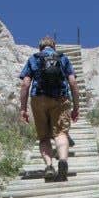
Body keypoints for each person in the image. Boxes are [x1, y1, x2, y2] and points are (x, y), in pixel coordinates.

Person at [19, 36, 79, 181]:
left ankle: (49, 166)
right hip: (60, 98)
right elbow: (73, 82)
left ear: (40, 47)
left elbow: (25, 84)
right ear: (54, 46)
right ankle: (63, 160)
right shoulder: (62, 58)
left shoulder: (34, 58)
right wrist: (76, 107)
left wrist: (23, 108)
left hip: (38, 100)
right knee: (60, 133)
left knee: (44, 137)